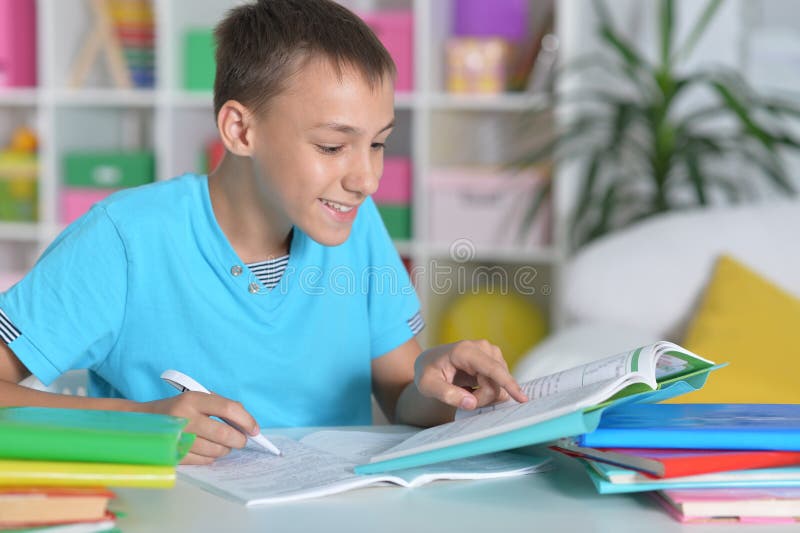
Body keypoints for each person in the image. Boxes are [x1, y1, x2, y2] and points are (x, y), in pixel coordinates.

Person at [0, 0, 527, 465]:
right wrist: (141, 419)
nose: (366, 178)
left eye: (378, 143)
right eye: (331, 146)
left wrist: (439, 385)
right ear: (240, 130)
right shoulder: (124, 240)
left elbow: (399, 395)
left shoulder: (356, 224)